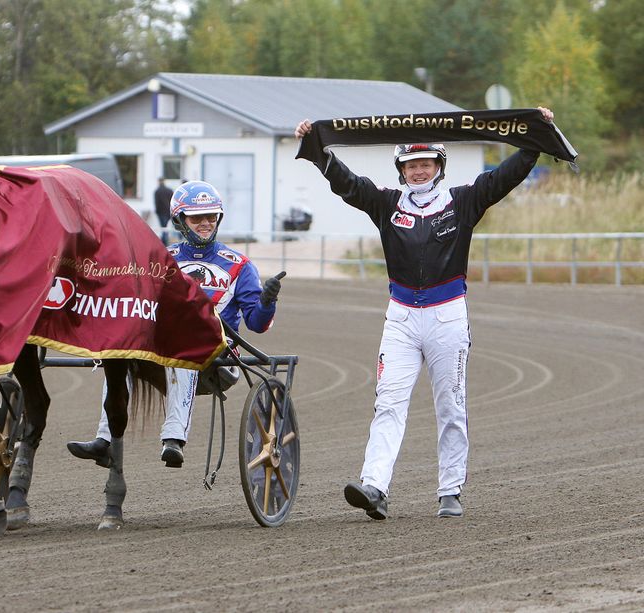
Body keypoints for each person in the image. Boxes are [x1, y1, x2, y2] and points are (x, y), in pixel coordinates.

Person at [294, 107, 555, 520]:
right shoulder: (386, 204)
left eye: (426, 163)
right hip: (399, 318)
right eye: (411, 165)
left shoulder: (464, 201)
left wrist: (533, 134)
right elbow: (348, 185)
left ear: (439, 166)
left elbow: (505, 176)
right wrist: (316, 149)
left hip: (447, 316)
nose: (419, 171)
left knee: (450, 404)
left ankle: (450, 490)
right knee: (388, 403)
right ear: (401, 169)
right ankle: (374, 486)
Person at [67, 180, 284, 467]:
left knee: (181, 346)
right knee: (118, 355)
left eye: (211, 216)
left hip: (217, 358)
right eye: (197, 218)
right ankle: (104, 440)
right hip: (163, 351)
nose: (205, 223)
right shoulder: (160, 258)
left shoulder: (240, 266)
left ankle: (174, 439)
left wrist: (267, 302)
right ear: (181, 221)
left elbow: (256, 325)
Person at [154, 177, 174, 245]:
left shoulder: (157, 191)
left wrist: (157, 211)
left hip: (161, 212)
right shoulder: (169, 190)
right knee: (166, 227)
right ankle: (164, 240)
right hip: (168, 211)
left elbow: (156, 203)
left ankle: (164, 242)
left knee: (163, 226)